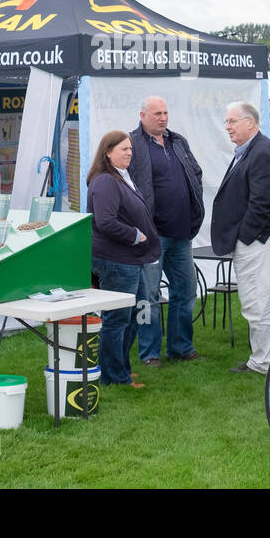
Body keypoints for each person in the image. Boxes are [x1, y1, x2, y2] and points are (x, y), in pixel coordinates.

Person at [210, 101, 270, 375]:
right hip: (253, 240)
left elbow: (261, 203)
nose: (228, 126)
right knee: (254, 302)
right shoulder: (249, 150)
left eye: (232, 121)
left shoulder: (261, 152)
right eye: (227, 121)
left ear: (250, 123)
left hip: (257, 241)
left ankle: (264, 361)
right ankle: (262, 357)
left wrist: (244, 237)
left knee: (258, 303)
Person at [127, 95, 204, 366]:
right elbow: (122, 183)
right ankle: (149, 352)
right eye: (157, 113)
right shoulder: (132, 144)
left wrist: (195, 208)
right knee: (147, 296)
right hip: (152, 235)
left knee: (186, 290)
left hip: (181, 233)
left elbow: (195, 172)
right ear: (142, 115)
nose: (163, 117)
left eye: (166, 112)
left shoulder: (178, 141)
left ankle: (180, 346)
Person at [87, 130, 160, 388]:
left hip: (131, 259)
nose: (129, 153)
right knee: (117, 319)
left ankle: (122, 369)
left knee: (133, 315)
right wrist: (135, 235)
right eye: (123, 149)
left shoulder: (120, 176)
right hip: (117, 260)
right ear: (108, 153)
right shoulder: (106, 181)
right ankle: (112, 376)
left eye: (130, 149)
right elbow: (105, 221)